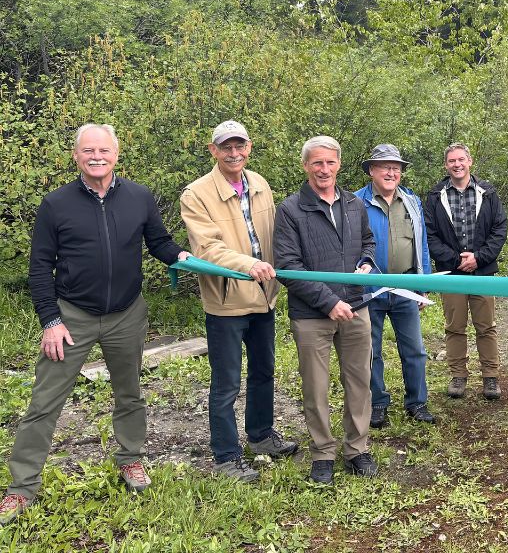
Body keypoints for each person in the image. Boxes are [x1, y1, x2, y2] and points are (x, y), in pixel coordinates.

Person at [1, 124, 189, 526]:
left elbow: (159, 243)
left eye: (104, 149)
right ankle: (21, 488)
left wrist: (183, 257)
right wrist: (50, 320)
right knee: (43, 403)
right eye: (88, 150)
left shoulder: (139, 197)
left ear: (117, 154)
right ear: (76, 156)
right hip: (71, 318)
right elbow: (39, 268)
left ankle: (130, 460)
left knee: (130, 393)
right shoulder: (56, 204)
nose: (97, 156)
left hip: (127, 314)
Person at [180, 120, 297, 483]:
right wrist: (251, 265)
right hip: (227, 303)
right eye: (225, 147)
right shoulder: (196, 194)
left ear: (249, 147)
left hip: (264, 298)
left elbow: (276, 233)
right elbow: (208, 247)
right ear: (213, 150)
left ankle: (261, 436)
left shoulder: (260, 184)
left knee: (263, 372)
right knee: (227, 382)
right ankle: (226, 457)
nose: (234, 153)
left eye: (240, 146)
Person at [274, 136, 378, 483]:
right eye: (317, 163)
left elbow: (368, 242)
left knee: (359, 381)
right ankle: (322, 454)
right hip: (312, 315)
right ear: (306, 166)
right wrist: (328, 302)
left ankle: (357, 449)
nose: (324, 169)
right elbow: (288, 265)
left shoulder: (354, 204)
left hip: (357, 306)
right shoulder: (290, 210)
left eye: (330, 162)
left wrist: (366, 261)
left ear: (339, 164)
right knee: (315, 388)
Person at [353, 144, 434, 428]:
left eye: (396, 168)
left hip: (406, 287)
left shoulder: (411, 201)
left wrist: (423, 284)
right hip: (370, 290)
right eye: (385, 166)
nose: (391, 172)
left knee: (414, 349)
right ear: (372, 171)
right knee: (370, 350)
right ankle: (377, 404)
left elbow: (421, 243)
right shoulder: (355, 203)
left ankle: (417, 402)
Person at [424, 143, 508, 401]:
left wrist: (479, 258)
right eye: (452, 161)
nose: (457, 164)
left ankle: (490, 377)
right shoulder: (435, 195)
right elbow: (429, 233)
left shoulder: (488, 193)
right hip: (451, 274)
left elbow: (499, 228)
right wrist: (454, 260)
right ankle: (458, 375)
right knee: (454, 326)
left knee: (486, 326)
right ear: (446, 165)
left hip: (482, 272)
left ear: (470, 161)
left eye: (461, 159)